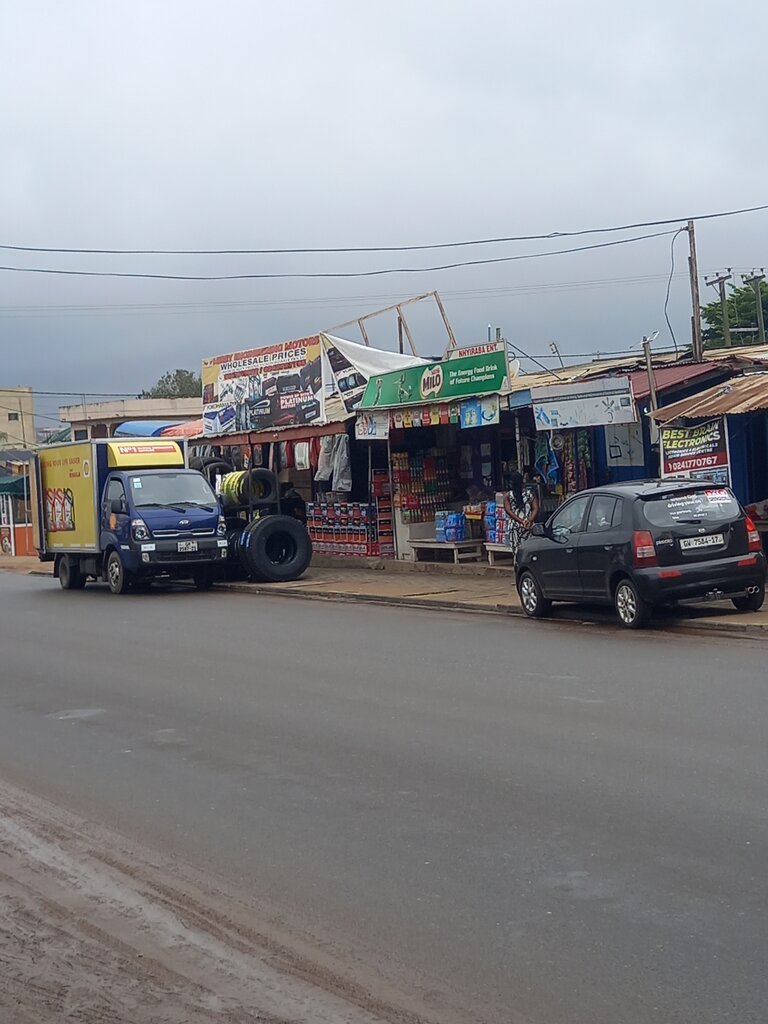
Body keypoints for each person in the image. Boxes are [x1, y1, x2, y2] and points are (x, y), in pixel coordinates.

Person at [503, 469, 540, 554]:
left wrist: (521, 521)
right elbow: (536, 508)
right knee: (529, 551)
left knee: (517, 552)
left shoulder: (508, 496)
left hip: (515, 527)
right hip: (529, 525)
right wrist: (529, 520)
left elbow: (508, 511)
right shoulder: (530, 493)